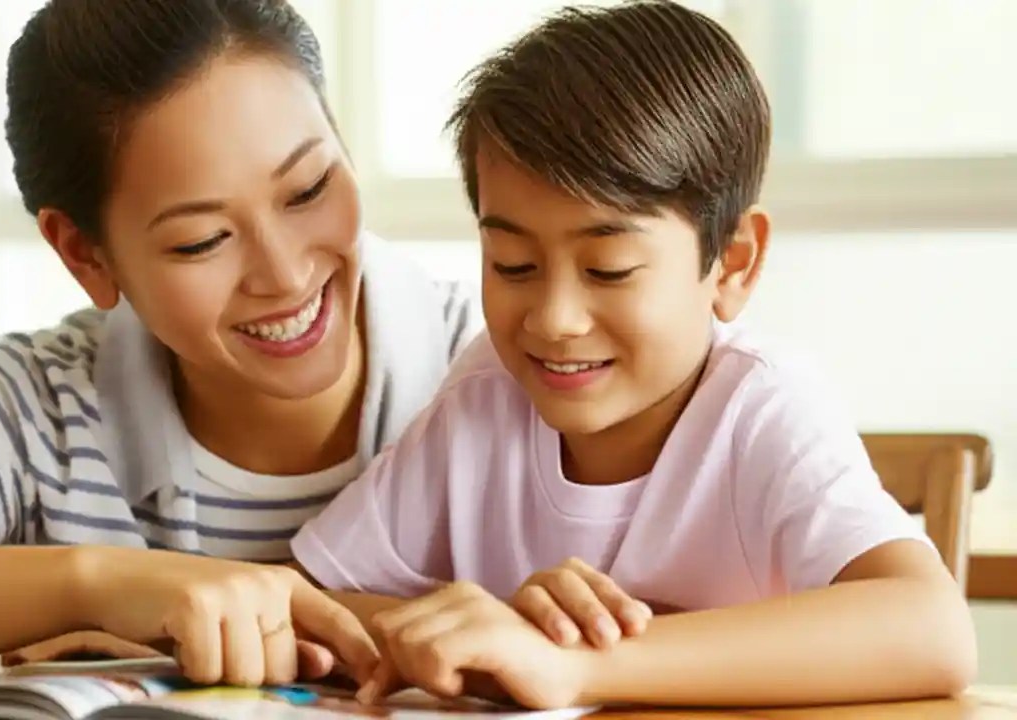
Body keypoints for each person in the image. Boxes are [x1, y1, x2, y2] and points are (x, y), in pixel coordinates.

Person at [0, 0, 484, 695]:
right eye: (202, 241)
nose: (286, 274)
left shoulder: (508, 366)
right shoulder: (35, 409)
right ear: (84, 254)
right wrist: (95, 586)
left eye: (308, 187)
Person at [291, 0, 976, 710]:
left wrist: (578, 664)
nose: (553, 321)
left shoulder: (762, 407)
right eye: (513, 264)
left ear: (733, 264)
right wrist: (491, 630)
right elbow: (304, 603)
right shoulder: (483, 395)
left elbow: (933, 631)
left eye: (609, 269)